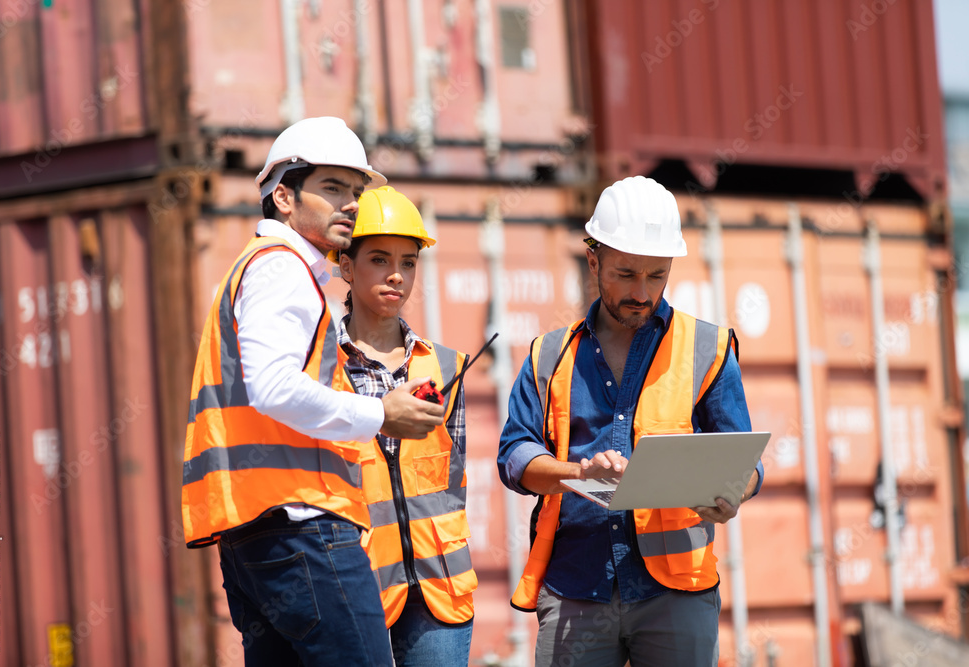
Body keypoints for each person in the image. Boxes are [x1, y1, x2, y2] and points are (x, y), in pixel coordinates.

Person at [182, 117, 445, 666]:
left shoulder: (259, 270)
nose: (350, 204)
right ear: (282, 196)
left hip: (256, 533)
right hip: (303, 530)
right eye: (331, 188)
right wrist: (381, 412)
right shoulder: (281, 269)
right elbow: (274, 387)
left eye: (354, 190)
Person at [497, 175, 765, 667]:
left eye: (656, 276)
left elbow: (745, 461)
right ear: (593, 259)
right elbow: (515, 458)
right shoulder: (548, 356)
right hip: (575, 585)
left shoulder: (707, 348)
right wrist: (578, 472)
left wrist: (734, 493)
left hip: (676, 590)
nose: (641, 292)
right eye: (625, 274)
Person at [331, 186, 477, 666]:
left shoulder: (446, 365)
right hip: (357, 584)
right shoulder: (320, 369)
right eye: (378, 258)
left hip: (440, 588)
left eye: (409, 262)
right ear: (346, 268)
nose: (397, 274)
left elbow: (449, 483)